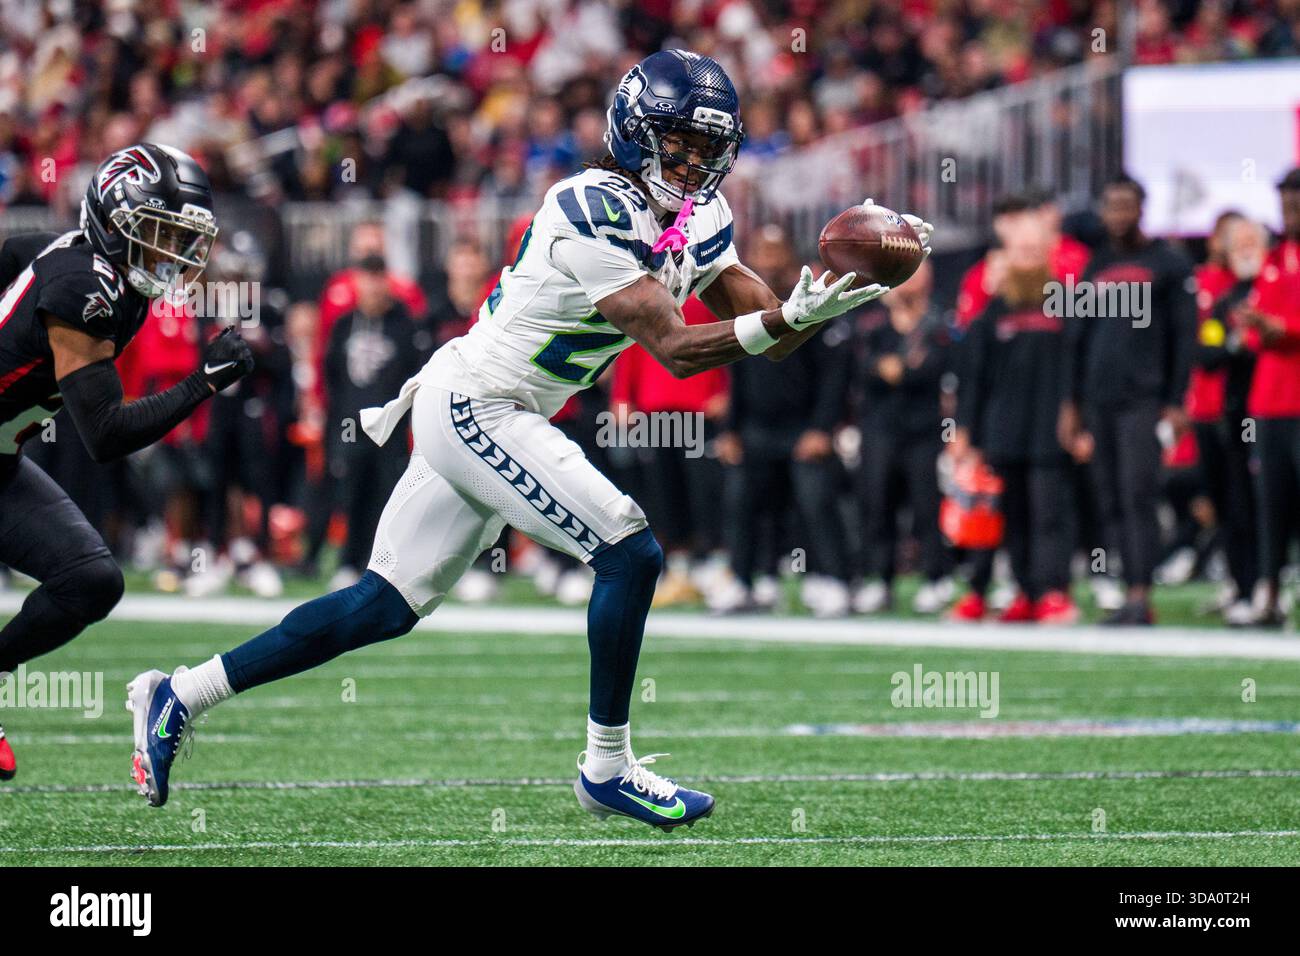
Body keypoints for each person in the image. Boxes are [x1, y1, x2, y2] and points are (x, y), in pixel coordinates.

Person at [127, 51, 932, 829]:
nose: (693, 166)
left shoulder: (702, 212)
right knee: (629, 550)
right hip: (478, 403)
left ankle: (181, 693)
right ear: (634, 132)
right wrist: (789, 319)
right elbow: (681, 348)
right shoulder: (588, 207)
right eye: (679, 145)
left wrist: (833, 297)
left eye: (708, 151)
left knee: (381, 606)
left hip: (502, 410)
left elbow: (764, 321)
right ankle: (607, 768)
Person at [0, 143, 253, 781]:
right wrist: (204, 381)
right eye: (162, 231)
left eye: (183, 237)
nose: (174, 252)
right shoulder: (85, 285)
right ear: (116, 216)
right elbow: (106, 434)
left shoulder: (86, 262)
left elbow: (11, 255)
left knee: (90, 580)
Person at [1059, 174, 1197, 626]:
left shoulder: (1168, 264)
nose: (1118, 214)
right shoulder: (1095, 265)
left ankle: (1142, 593)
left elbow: (1185, 336)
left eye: (1126, 205)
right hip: (1099, 400)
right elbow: (1077, 337)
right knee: (1110, 497)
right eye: (1111, 206)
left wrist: (1176, 400)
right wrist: (1071, 403)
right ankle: (1126, 588)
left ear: (1142, 209)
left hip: (1145, 399)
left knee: (1138, 493)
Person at [955, 212, 1078, 624]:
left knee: (1050, 514)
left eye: (1033, 252)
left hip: (1050, 432)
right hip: (1002, 431)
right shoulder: (991, 313)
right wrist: (965, 432)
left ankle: (1053, 593)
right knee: (1009, 517)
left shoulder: (1068, 305)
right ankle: (1024, 592)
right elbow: (974, 377)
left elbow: (1079, 369)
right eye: (1019, 252)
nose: (1026, 260)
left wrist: (1079, 420)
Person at [855, 257, 953, 615]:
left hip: (925, 428)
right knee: (878, 503)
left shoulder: (940, 319)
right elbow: (858, 364)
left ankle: (935, 577)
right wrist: (882, 368)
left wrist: (902, 371)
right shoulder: (871, 318)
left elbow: (945, 365)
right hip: (880, 426)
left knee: (927, 506)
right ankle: (878, 578)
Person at [1240, 168, 1300, 627]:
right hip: (1269, 402)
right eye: (1285, 205)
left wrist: (1280, 330)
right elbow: (1261, 336)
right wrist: (1258, 329)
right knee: (1270, 503)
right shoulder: (1275, 258)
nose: (1289, 214)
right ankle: (1269, 594)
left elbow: (1281, 327)